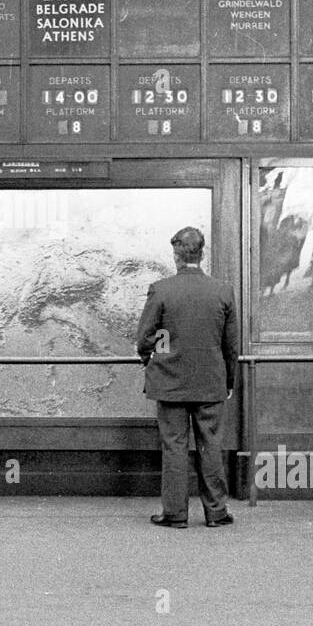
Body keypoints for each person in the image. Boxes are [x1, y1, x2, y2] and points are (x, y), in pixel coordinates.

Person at [135, 226, 238, 528]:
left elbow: (145, 338)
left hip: (170, 383)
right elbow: (230, 345)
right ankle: (216, 513)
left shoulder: (161, 289)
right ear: (202, 253)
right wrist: (228, 381)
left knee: (174, 447)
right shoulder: (223, 290)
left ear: (176, 254)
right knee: (211, 447)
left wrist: (158, 353)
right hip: (210, 383)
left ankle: (175, 514)